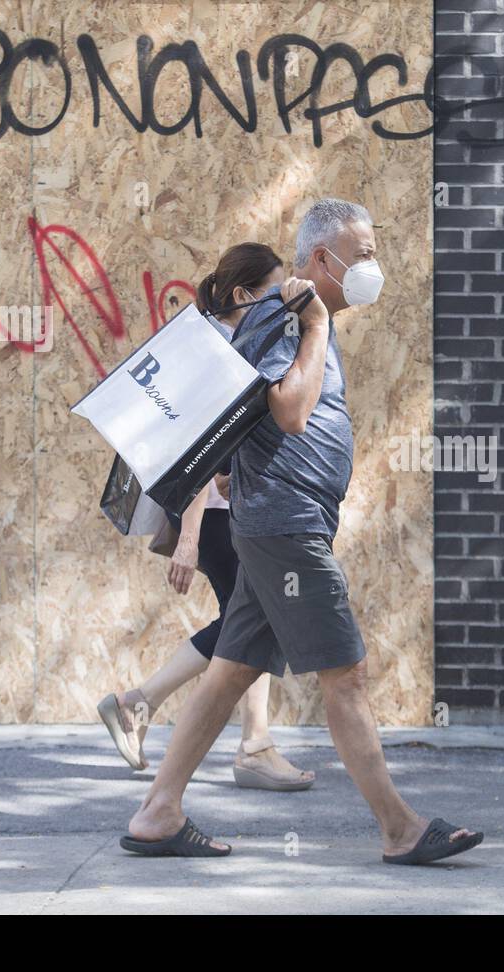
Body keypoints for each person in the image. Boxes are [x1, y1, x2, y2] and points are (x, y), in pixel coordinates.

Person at [120, 199, 482, 864]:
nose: (372, 265)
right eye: (362, 252)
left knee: (230, 672)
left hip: (280, 523)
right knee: (345, 674)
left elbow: (248, 410)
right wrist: (314, 323)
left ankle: (157, 809)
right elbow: (287, 410)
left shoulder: (290, 319)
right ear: (321, 259)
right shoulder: (286, 317)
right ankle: (399, 827)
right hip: (286, 529)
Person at [96, 242, 314, 792]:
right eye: (271, 291)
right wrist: (189, 536)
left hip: (231, 508)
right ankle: (148, 705)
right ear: (243, 295)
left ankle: (251, 742)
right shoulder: (220, 349)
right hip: (217, 516)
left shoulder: (224, 340)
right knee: (252, 621)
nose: (281, 302)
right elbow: (198, 449)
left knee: (256, 621)